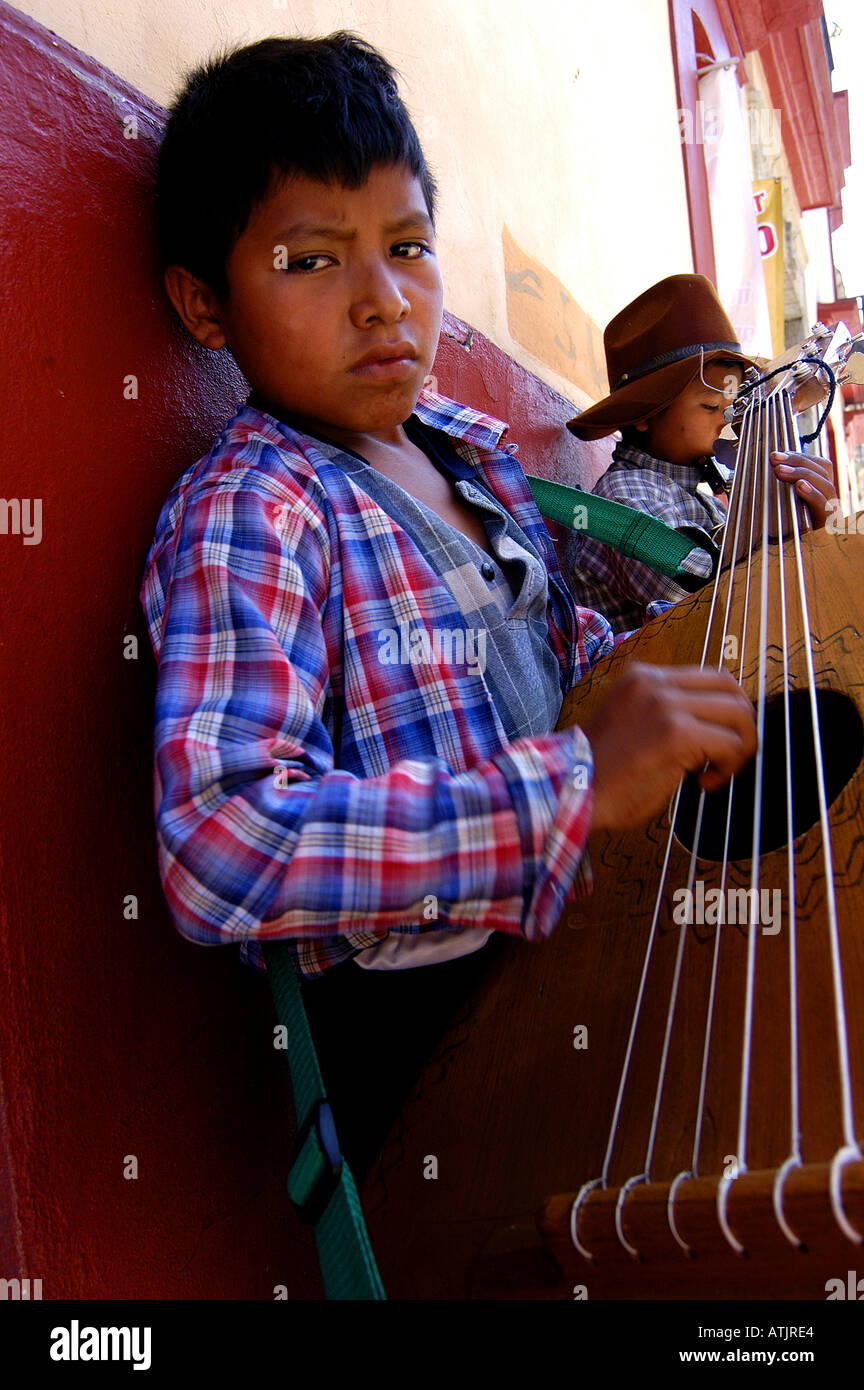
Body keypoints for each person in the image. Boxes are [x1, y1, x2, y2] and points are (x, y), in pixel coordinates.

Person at [140, 35, 756, 1181]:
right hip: (444, 1072)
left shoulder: (464, 449)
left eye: (408, 247)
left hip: (593, 967)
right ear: (206, 304)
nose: (383, 302)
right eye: (311, 260)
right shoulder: (259, 509)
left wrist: (696, 671)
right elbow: (220, 846)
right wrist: (570, 783)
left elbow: (566, 648)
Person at [563, 274, 836, 634]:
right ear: (646, 414)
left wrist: (816, 526)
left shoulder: (706, 503)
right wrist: (767, 507)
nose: (727, 418)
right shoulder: (625, 494)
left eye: (732, 404)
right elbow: (705, 599)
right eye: (710, 406)